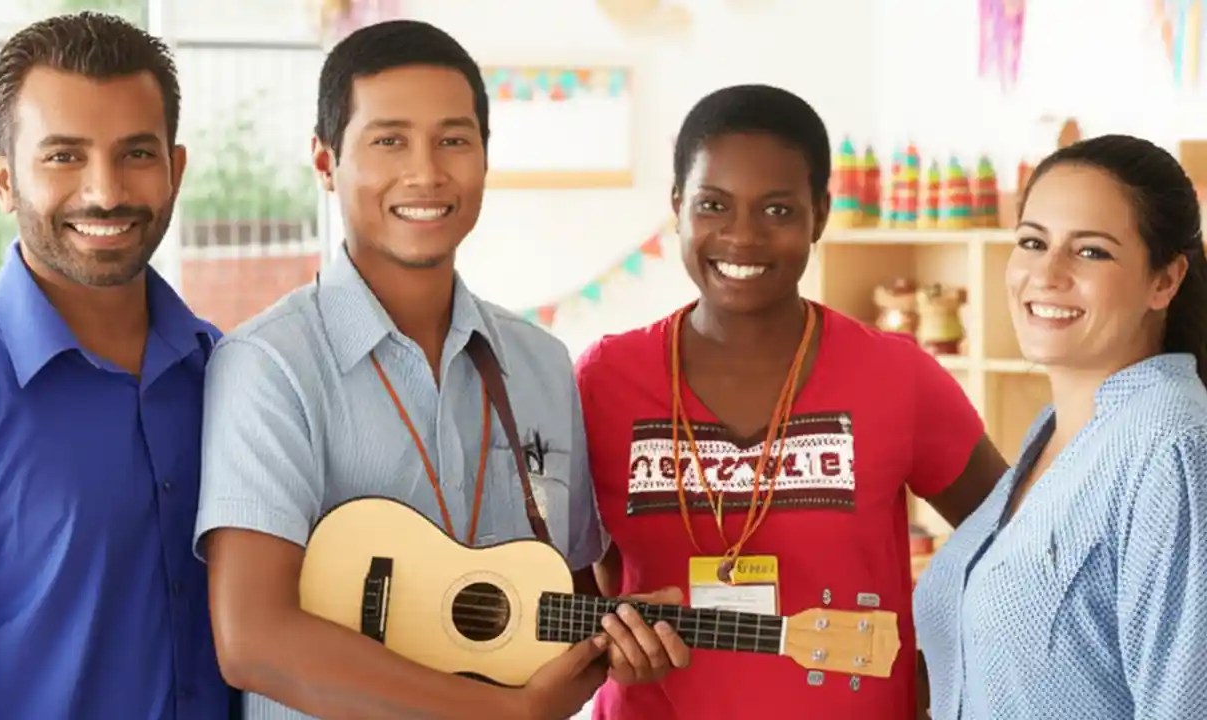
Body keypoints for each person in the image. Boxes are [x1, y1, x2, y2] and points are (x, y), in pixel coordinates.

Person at [193, 19, 688, 720]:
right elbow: (255, 640)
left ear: (486, 156)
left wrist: (616, 642)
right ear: (326, 162)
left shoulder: (541, 365)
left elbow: (561, 603)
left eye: (454, 139)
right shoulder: (268, 365)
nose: (426, 173)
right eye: (389, 140)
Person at [574, 84, 1008, 720]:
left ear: (821, 213)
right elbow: (577, 578)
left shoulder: (898, 375)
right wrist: (608, 639)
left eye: (777, 211)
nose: (741, 237)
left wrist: (937, 668)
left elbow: (1013, 548)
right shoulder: (605, 378)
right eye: (714, 205)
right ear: (677, 208)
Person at [0, 11, 231, 719]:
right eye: (63, 156)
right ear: (3, 179)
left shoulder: (228, 374)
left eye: (136, 153)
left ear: (175, 169)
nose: (106, 192)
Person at [914, 134, 1207, 719]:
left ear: (1165, 280)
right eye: (1032, 242)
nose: (1046, 274)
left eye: (1091, 252)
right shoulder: (1057, 430)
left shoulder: (1173, 448)